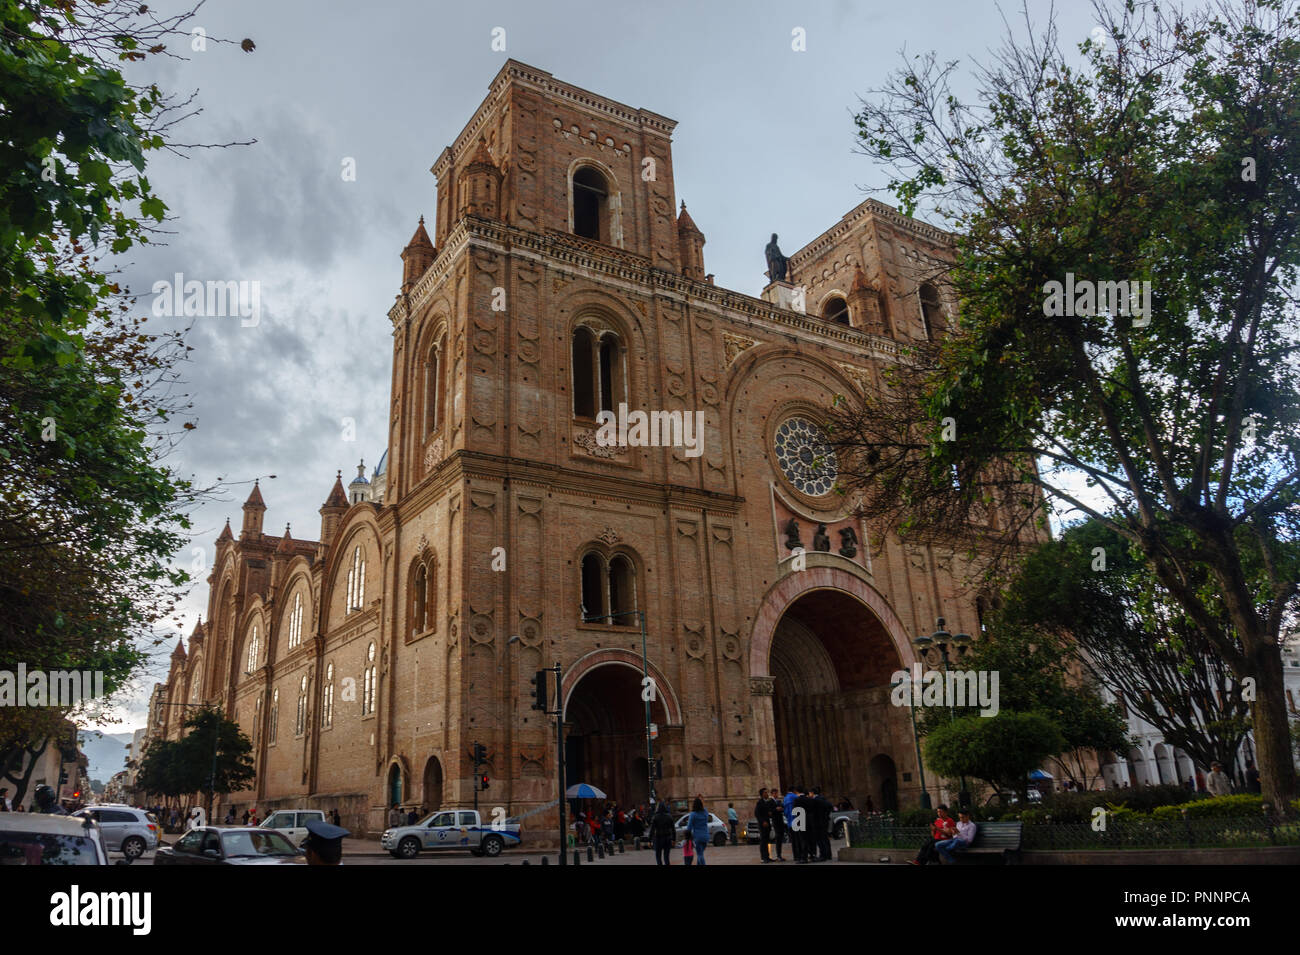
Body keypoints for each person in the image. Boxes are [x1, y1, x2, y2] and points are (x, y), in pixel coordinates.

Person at [686, 797, 711, 866]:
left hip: (697, 837)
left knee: (700, 854)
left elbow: (689, 827)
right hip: (706, 836)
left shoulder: (693, 814)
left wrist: (687, 835)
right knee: (701, 853)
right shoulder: (705, 812)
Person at [812, 787, 833, 862]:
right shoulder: (823, 798)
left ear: (812, 793)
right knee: (825, 838)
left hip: (818, 822)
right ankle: (828, 855)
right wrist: (826, 815)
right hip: (824, 821)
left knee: (820, 839)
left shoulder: (815, 800)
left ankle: (823, 855)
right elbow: (830, 806)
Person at [768, 786, 785, 861]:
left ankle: (780, 855)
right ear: (772, 794)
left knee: (780, 838)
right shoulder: (770, 802)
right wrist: (776, 809)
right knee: (778, 838)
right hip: (776, 822)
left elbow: (782, 808)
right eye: (775, 793)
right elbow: (770, 811)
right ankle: (778, 855)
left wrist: (781, 809)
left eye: (777, 793)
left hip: (780, 821)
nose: (776, 794)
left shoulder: (778, 801)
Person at [755, 788, 772, 862]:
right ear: (762, 794)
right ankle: (763, 858)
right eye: (765, 792)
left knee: (767, 841)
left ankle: (767, 857)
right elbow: (757, 814)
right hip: (763, 825)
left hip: (767, 824)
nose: (767, 794)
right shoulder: (760, 802)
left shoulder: (766, 802)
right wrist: (763, 821)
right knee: (763, 841)